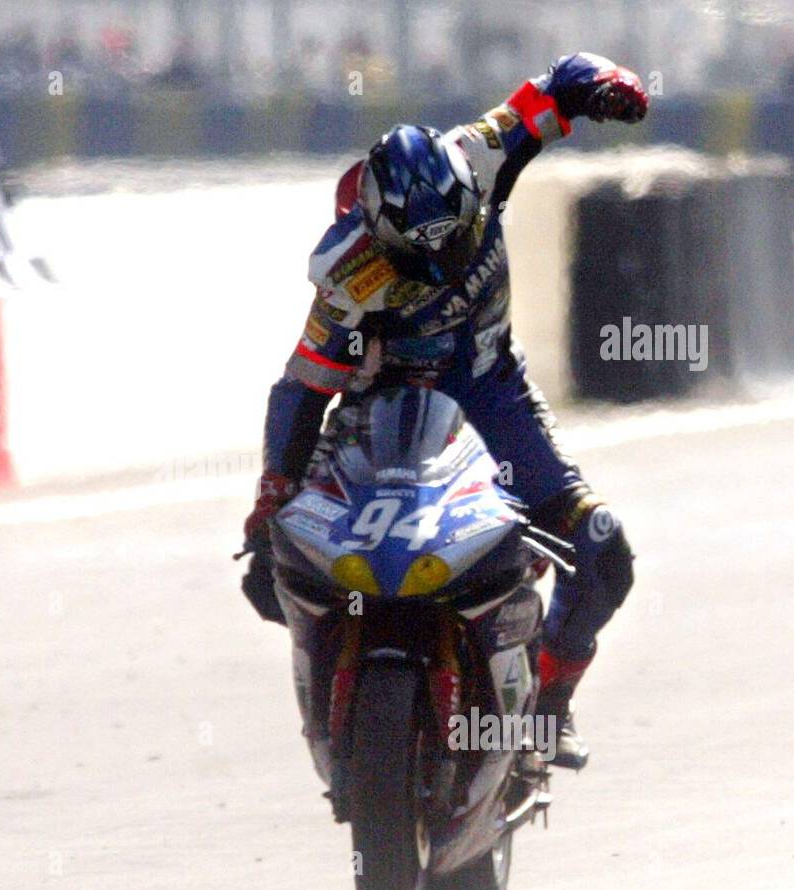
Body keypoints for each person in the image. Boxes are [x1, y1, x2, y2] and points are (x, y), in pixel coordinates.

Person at [242, 53, 648, 773]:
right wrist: (272, 496)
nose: (443, 266)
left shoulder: (483, 152)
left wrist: (606, 84)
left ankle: (547, 705)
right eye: (417, 257)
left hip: (492, 397)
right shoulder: (348, 276)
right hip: (387, 419)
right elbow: (301, 391)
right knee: (289, 557)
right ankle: (343, 703)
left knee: (604, 552)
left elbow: (554, 87)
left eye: (455, 239)